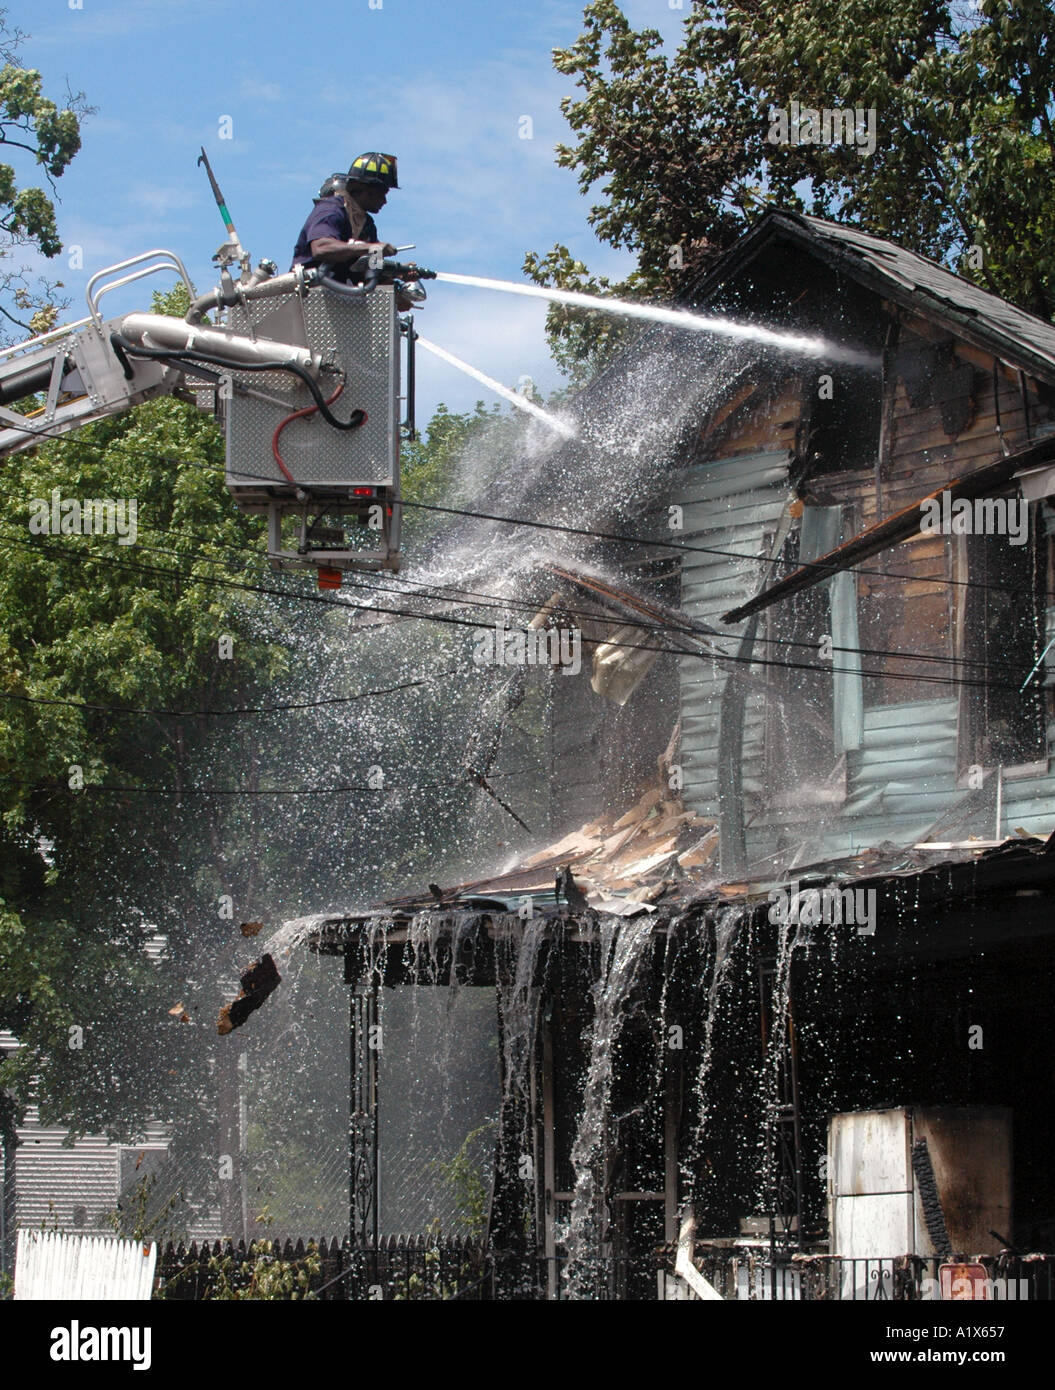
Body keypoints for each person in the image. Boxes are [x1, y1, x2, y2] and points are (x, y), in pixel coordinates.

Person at [291, 152, 400, 284]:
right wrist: (373, 248)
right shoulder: (331, 209)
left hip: (342, 298)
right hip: (306, 295)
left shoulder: (367, 225)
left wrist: (398, 274)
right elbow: (321, 248)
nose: (384, 201)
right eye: (382, 193)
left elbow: (371, 266)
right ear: (362, 189)